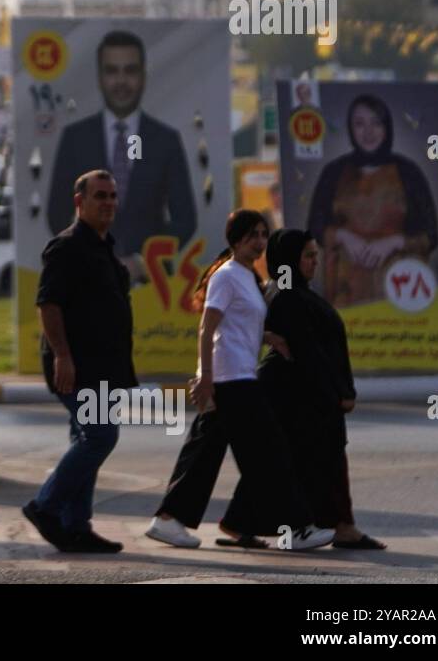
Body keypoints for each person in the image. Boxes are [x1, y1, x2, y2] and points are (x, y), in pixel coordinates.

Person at [145, 210, 334, 551]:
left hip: (239, 376)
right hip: (232, 380)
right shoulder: (226, 276)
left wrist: (268, 337)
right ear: (235, 241)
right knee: (271, 453)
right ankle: (297, 529)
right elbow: (208, 327)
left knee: (206, 452)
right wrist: (204, 376)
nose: (260, 242)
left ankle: (172, 520)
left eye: (263, 235)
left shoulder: (248, 277)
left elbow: (239, 324)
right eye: (252, 236)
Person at [22, 169, 136, 553]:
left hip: (104, 367)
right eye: (99, 195)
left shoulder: (104, 247)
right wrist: (63, 356)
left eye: (112, 196)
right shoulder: (67, 247)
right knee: (101, 436)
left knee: (85, 437)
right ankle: (46, 506)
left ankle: (77, 526)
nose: (107, 202)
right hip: (78, 366)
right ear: (79, 202)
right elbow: (48, 303)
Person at [261, 229, 385, 549]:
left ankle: (331, 524)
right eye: (308, 255)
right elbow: (309, 355)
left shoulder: (296, 294)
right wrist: (338, 395)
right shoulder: (290, 299)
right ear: (289, 260)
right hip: (309, 399)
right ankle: (339, 526)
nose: (316, 262)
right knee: (322, 462)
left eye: (316, 255)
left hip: (316, 397)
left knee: (320, 462)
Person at [47, 30, 197, 282]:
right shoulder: (75, 138)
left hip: (152, 286)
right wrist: (90, 257)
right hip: (87, 281)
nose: (121, 81)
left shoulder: (166, 140)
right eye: (112, 71)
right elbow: (56, 213)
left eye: (130, 70)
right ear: (100, 77)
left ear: (143, 76)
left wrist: (145, 260)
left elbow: (185, 219)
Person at [306, 93, 438, 307]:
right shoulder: (334, 172)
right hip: (344, 292)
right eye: (359, 124)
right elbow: (313, 228)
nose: (368, 132)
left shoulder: (408, 172)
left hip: (400, 292)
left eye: (376, 123)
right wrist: (342, 236)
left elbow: (431, 235)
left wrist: (395, 242)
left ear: (386, 127)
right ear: (350, 129)